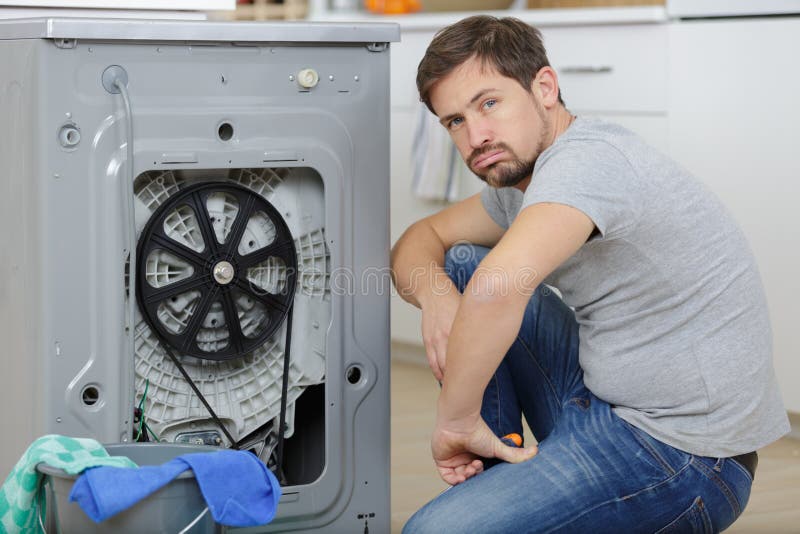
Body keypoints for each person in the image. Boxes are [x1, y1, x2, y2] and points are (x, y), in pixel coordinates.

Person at [390, 15, 790, 533]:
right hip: (605, 400)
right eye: (455, 121)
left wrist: (454, 421)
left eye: (488, 104)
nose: (476, 136)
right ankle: (499, 478)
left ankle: (497, 486)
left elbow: (496, 292)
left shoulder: (588, 162)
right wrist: (439, 299)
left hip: (685, 459)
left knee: (431, 532)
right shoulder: (518, 181)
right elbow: (419, 240)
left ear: (544, 88)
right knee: (463, 262)